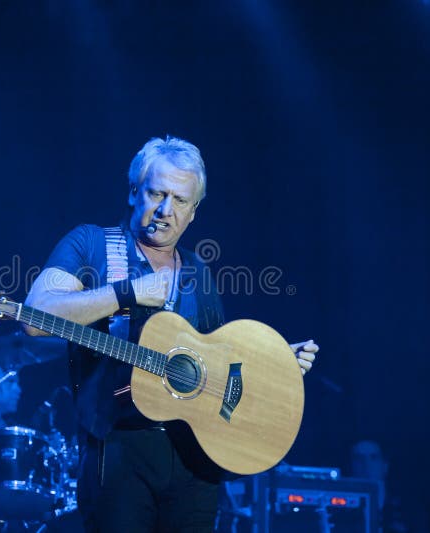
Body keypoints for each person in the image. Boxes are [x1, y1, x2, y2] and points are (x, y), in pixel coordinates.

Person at [24, 135, 318, 532]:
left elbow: (219, 362)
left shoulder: (199, 273)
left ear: (194, 212)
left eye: (180, 200)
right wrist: (125, 293)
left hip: (197, 461)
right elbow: (35, 316)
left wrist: (276, 361)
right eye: (156, 193)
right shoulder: (91, 244)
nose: (165, 210)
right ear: (133, 193)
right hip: (118, 450)